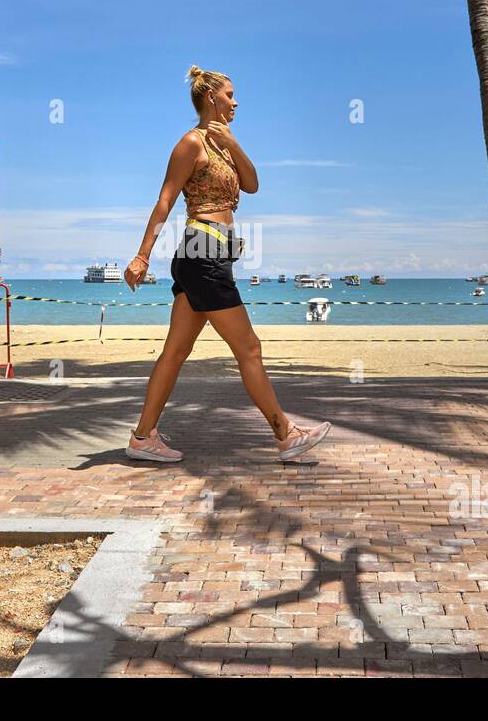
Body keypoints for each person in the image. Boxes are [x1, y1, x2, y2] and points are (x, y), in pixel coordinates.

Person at [121, 65, 333, 463]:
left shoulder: (222, 144)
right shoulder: (191, 143)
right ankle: (286, 435)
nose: (236, 102)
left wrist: (233, 145)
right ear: (210, 98)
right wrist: (142, 254)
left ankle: (142, 438)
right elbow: (165, 200)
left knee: (175, 352)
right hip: (201, 253)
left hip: (210, 256)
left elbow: (251, 184)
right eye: (230, 95)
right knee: (249, 348)